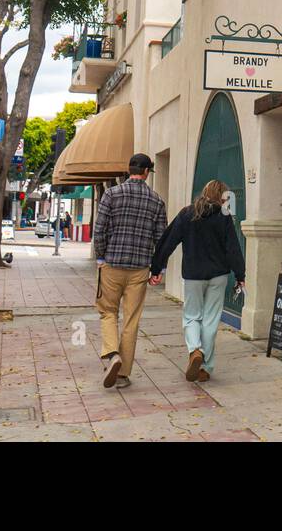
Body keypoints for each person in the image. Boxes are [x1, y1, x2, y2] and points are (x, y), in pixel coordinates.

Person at [150, 179, 246, 383]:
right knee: (211, 319)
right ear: (221, 197)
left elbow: (168, 240)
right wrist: (240, 275)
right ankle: (205, 367)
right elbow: (233, 248)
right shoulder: (224, 216)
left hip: (193, 274)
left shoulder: (187, 214)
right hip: (219, 274)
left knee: (192, 316)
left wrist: (157, 267)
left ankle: (195, 349)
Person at [93, 154, 167, 389]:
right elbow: (161, 238)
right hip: (139, 269)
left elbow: (100, 228)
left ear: (129, 170)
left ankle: (112, 354)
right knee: (131, 320)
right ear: (146, 172)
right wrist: (158, 268)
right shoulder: (156, 201)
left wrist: (101, 256)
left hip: (112, 264)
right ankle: (123, 373)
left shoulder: (111, 194)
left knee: (108, 312)